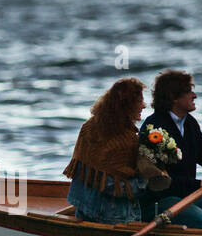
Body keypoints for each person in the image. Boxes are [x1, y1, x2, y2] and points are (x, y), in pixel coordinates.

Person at [138, 69, 202, 230]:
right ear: (173, 97)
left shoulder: (190, 123)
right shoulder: (154, 130)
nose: (195, 96)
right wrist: (198, 184)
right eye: (189, 92)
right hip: (160, 199)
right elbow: (159, 181)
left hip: (185, 193)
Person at [64, 77, 168, 223]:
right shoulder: (125, 141)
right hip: (113, 216)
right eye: (139, 102)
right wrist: (148, 178)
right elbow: (112, 186)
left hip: (84, 207)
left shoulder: (89, 126)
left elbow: (85, 173)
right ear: (125, 106)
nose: (144, 106)